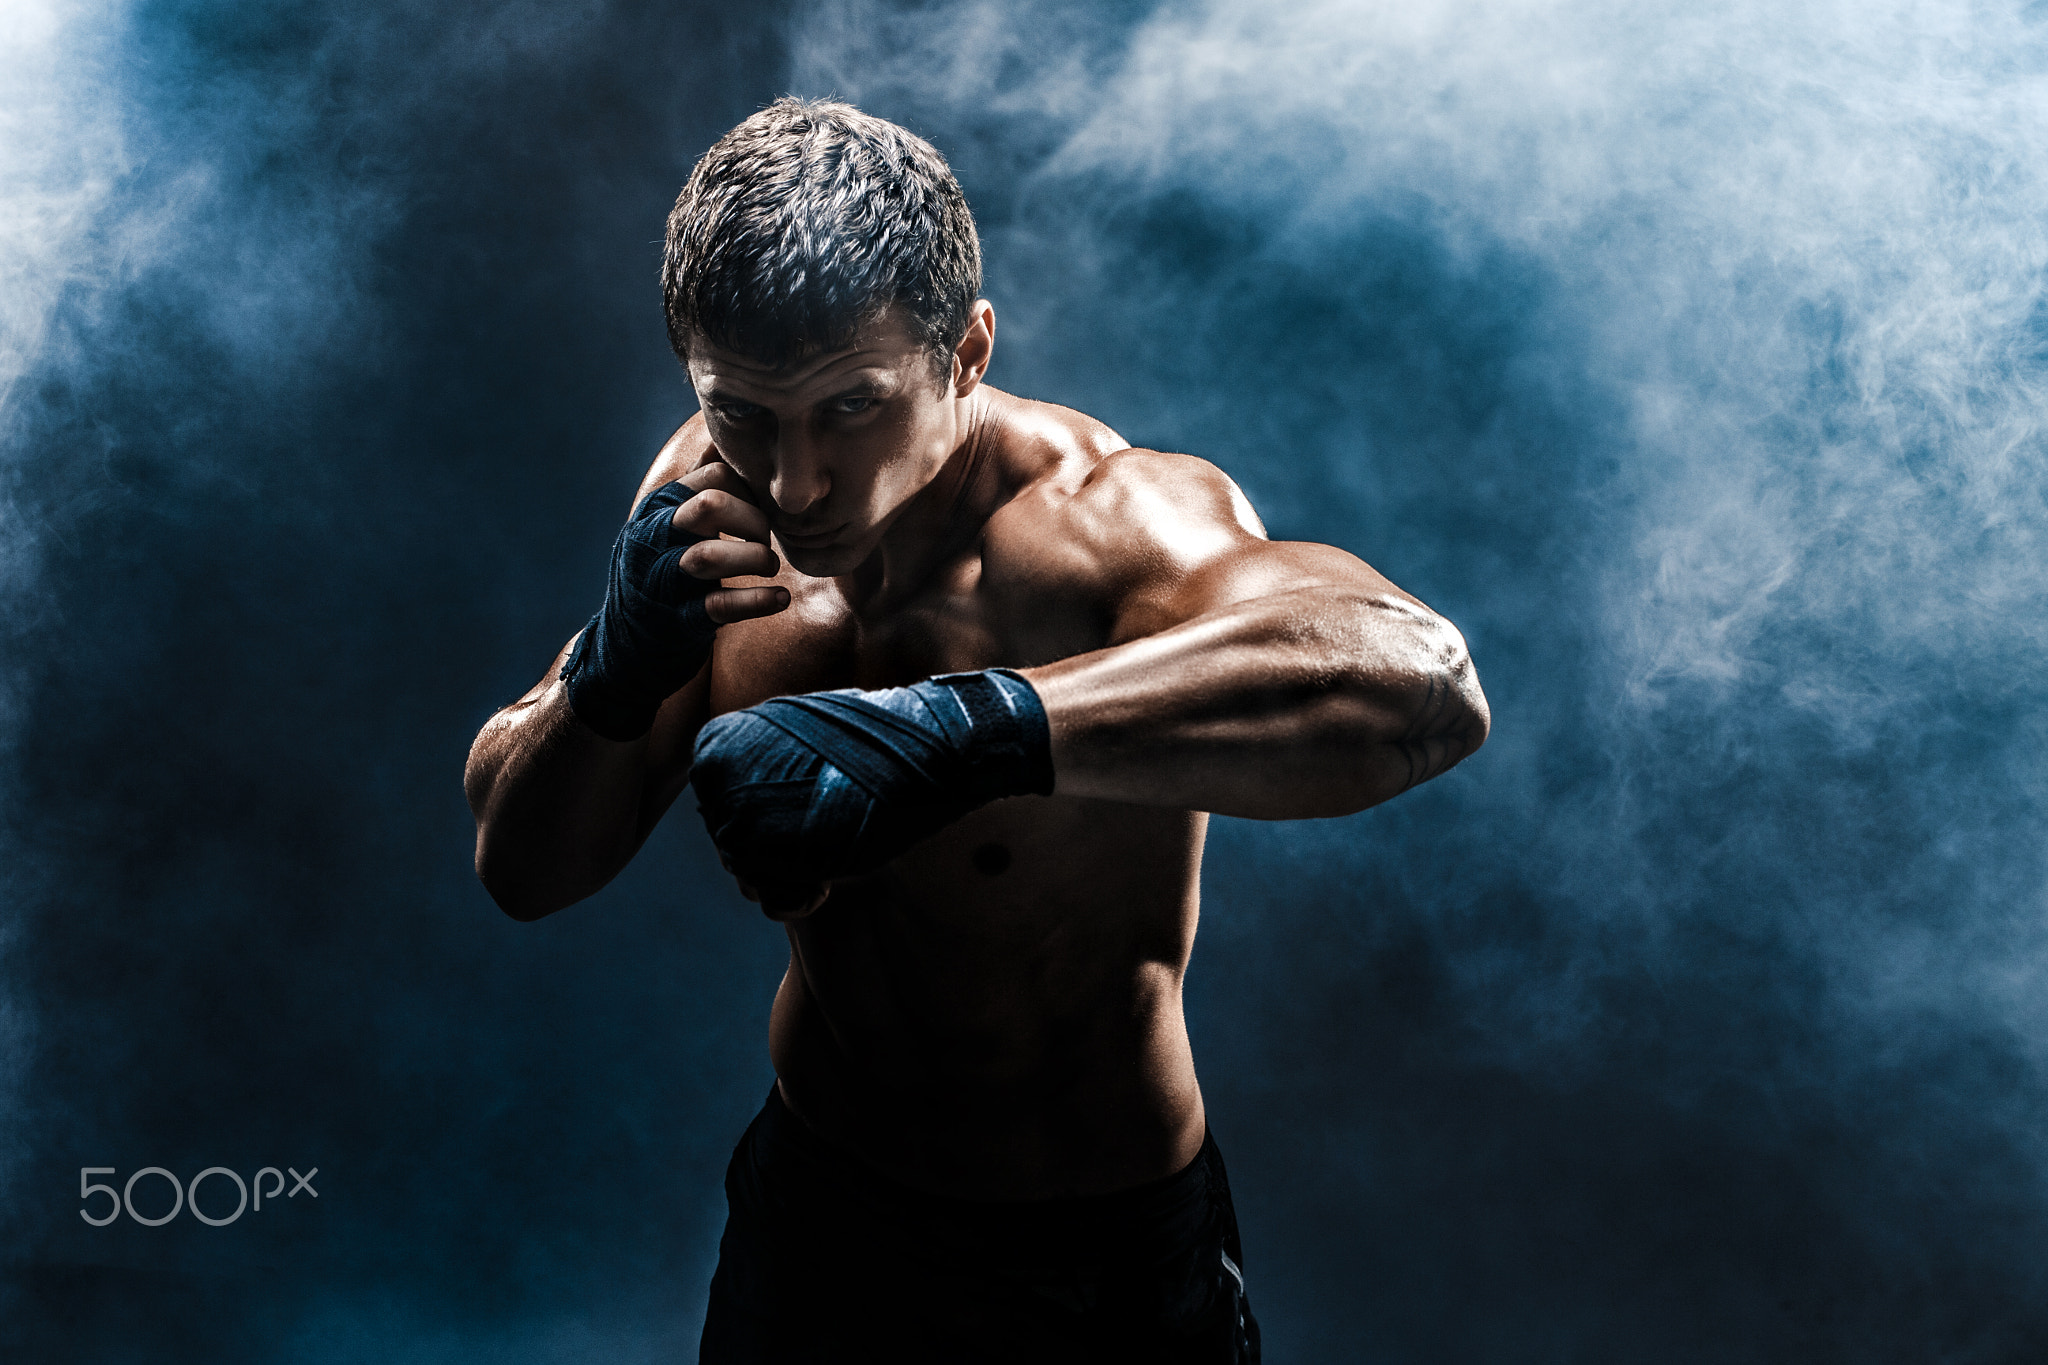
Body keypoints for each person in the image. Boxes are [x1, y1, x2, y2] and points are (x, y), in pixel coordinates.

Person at [464, 96, 1490, 1364]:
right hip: (821, 1220)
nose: (792, 483)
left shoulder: (1105, 526)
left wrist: (969, 734)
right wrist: (611, 681)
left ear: (964, 354)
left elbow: (1420, 685)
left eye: (850, 407)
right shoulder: (706, 497)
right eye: (745, 412)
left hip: (1095, 1263)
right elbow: (521, 869)